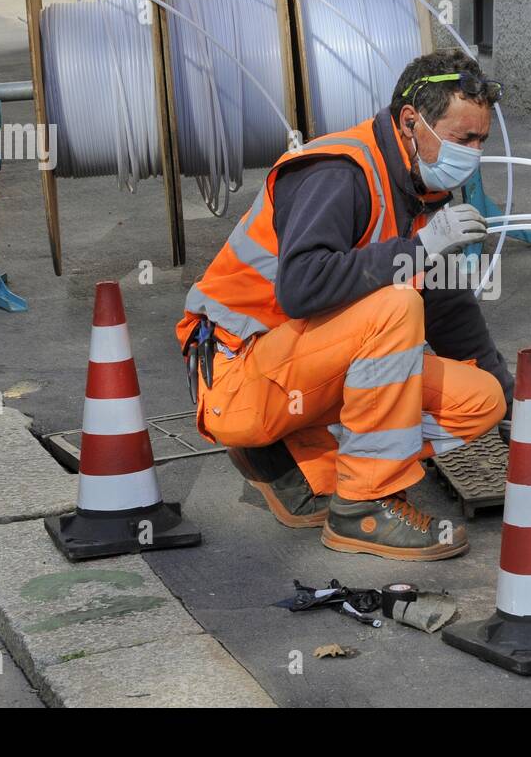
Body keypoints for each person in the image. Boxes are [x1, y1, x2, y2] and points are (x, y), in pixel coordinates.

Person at [176, 51, 512, 561]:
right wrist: (418, 252)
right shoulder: (339, 171)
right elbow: (301, 287)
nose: (474, 152)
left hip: (297, 372)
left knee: (481, 399)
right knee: (397, 306)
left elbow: (448, 309)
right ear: (409, 121)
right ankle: (364, 505)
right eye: (464, 138)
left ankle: (293, 464)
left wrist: (519, 408)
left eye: (481, 140)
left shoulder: (424, 185)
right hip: (236, 375)